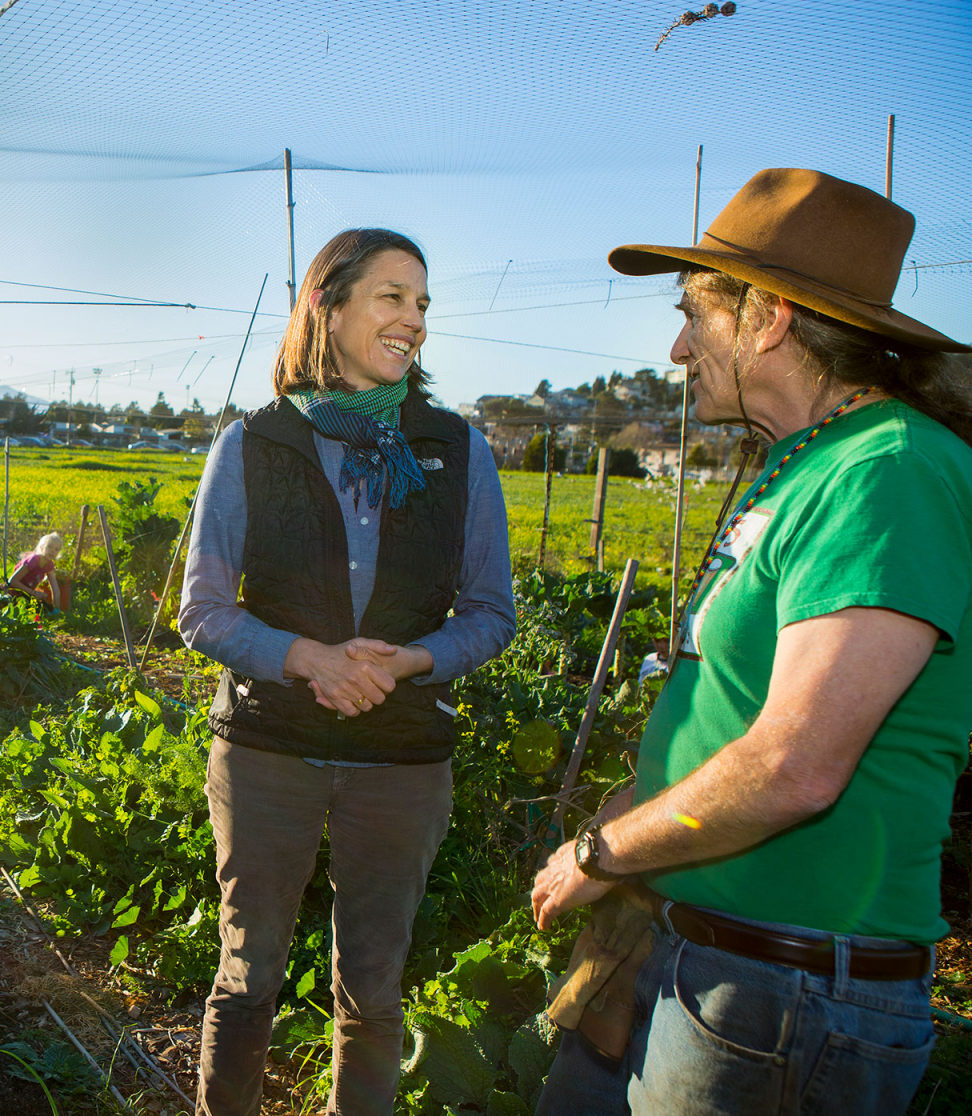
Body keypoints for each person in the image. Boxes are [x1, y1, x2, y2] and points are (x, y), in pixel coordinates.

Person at [532, 168, 972, 1115]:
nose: (678, 344)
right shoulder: (803, 463)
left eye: (697, 313)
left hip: (788, 997)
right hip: (703, 955)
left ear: (769, 319)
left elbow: (795, 767)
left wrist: (602, 851)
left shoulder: (886, 473)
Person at [178, 228, 516, 1115]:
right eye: (393, 298)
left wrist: (412, 661)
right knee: (247, 975)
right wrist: (307, 660)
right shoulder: (253, 446)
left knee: (373, 981)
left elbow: (490, 613)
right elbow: (202, 610)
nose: (415, 322)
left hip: (403, 760)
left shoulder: (458, 451)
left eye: (424, 304)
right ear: (328, 306)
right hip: (269, 750)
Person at [6, 531, 62, 606]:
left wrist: (57, 608)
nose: (53, 551)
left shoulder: (49, 565)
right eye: (50, 546)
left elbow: (55, 589)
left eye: (56, 549)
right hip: (13, 593)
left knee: (45, 608)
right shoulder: (33, 560)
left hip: (27, 595)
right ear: (42, 547)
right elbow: (12, 581)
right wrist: (34, 593)